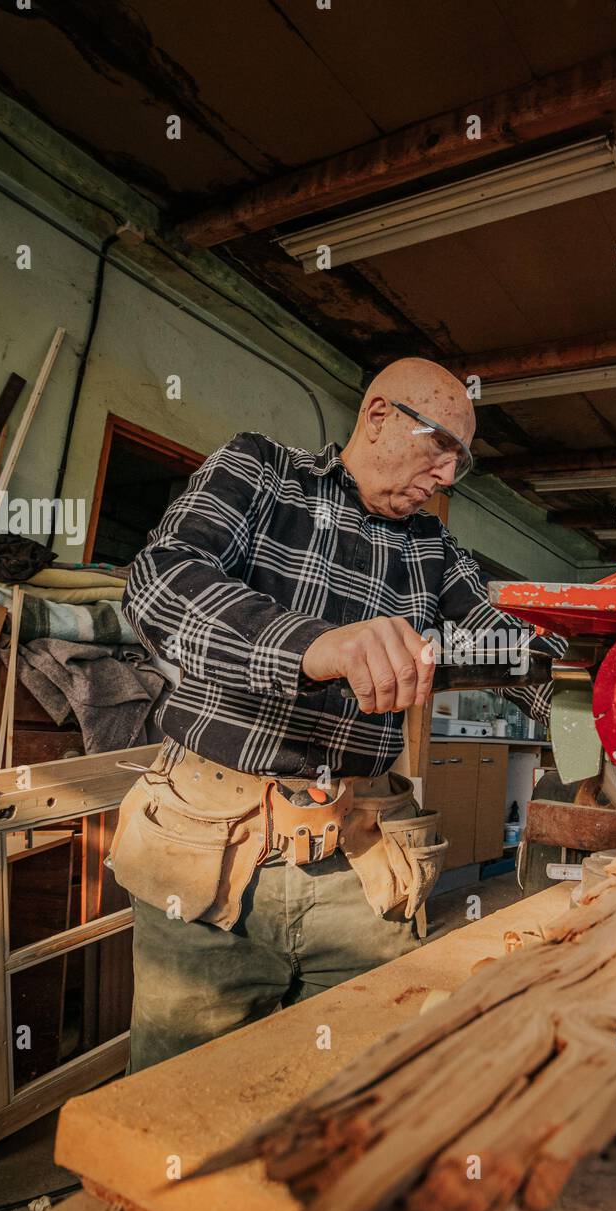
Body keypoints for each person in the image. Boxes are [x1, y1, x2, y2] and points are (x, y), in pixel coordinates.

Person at [113, 356, 564, 1070]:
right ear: (379, 414)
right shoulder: (261, 472)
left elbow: (517, 654)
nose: (448, 476)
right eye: (441, 445)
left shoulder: (436, 550)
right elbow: (162, 583)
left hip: (363, 869)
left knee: (356, 1089)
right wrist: (313, 645)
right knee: (181, 1098)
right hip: (211, 855)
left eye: (461, 462)